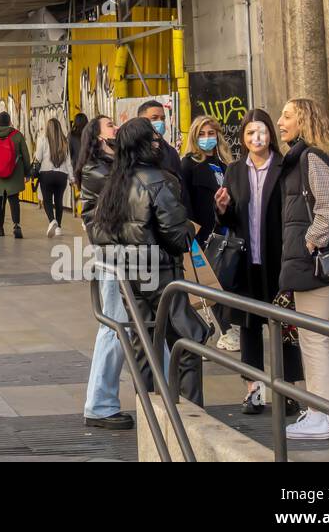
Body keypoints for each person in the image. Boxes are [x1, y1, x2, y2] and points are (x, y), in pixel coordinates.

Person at [89, 117, 206, 408]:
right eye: (154, 139)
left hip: (130, 276)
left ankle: (150, 410)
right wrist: (190, 228)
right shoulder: (160, 180)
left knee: (143, 343)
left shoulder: (114, 182)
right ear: (143, 145)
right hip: (163, 273)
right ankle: (192, 414)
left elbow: (101, 231)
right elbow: (177, 236)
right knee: (187, 341)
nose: (159, 144)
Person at [275, 98, 329, 441]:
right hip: (328, 265)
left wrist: (308, 243)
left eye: (287, 116)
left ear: (304, 121)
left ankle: (318, 412)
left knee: (313, 338)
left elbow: (328, 209)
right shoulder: (325, 156)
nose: (280, 122)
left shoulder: (309, 156)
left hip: (312, 265)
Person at [214, 109, 303, 416]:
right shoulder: (235, 170)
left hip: (278, 261)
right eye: (250, 133)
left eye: (262, 132)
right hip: (245, 262)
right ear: (242, 137)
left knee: (285, 329)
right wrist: (222, 209)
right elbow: (230, 217)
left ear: (271, 135)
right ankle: (253, 390)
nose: (256, 138)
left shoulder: (285, 166)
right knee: (249, 328)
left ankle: (289, 390)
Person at [78, 115, 134, 430]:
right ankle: (99, 404)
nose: (117, 129)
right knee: (114, 327)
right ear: (99, 138)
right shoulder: (98, 171)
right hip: (113, 257)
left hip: (124, 255)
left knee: (124, 326)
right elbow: (127, 195)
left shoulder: (112, 166)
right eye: (110, 126)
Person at [181, 115, 236, 350]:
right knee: (210, 283)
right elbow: (185, 200)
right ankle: (224, 331)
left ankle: (219, 330)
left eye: (211, 133)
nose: (207, 139)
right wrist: (192, 233)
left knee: (223, 281)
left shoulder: (226, 164)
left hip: (227, 230)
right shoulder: (189, 164)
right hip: (202, 232)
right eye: (202, 134)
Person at [0, 111, 29, 238]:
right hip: (14, 174)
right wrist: (27, 172)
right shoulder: (17, 135)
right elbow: (26, 156)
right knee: (14, 200)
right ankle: (16, 226)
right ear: (9, 122)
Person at [34, 116, 72, 238]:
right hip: (62, 175)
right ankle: (59, 228)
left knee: (47, 200)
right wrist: (72, 178)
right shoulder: (64, 141)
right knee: (59, 201)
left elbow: (38, 158)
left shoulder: (42, 139)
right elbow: (69, 162)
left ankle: (52, 221)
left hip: (47, 174)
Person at [137, 100, 181, 186]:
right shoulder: (133, 149)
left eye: (163, 118)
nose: (160, 122)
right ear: (140, 121)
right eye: (154, 118)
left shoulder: (171, 152)